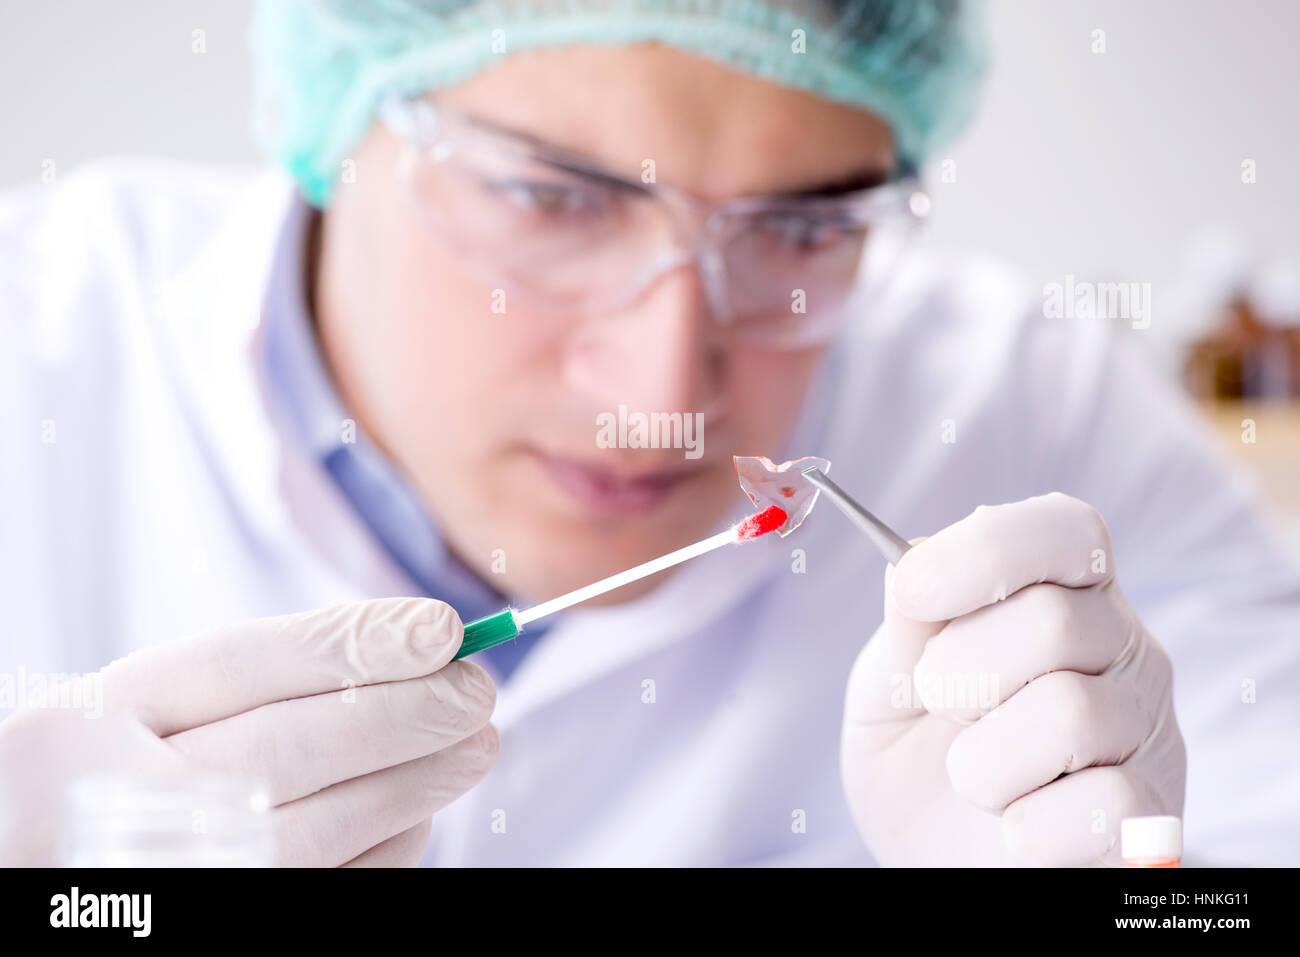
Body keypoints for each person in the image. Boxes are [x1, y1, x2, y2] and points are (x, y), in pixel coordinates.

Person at [1, 0, 1297, 867]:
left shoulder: (1032, 408)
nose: (669, 373)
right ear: (339, 124)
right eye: (550, 200)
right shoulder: (38, 346)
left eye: (799, 231)